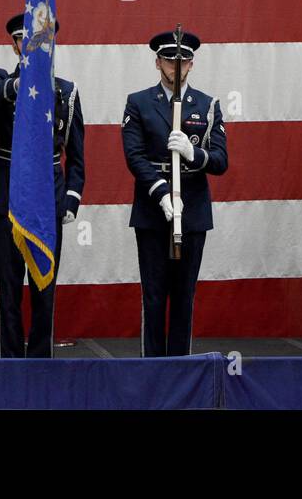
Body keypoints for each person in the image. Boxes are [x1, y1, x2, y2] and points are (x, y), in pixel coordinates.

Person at [0, 13, 86, 357]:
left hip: (47, 196)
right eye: (25, 40)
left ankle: (40, 363)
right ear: (14, 45)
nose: (33, 46)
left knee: (44, 288)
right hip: (5, 196)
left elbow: (76, 154)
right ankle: (10, 363)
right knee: (8, 290)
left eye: (41, 39)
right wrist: (24, 80)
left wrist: (70, 199)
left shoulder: (65, 92)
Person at [122, 29, 228, 357]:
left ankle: (182, 368)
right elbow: (134, 156)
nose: (176, 67)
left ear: (192, 64)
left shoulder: (207, 105)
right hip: (154, 208)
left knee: (184, 295)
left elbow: (221, 161)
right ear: (158, 63)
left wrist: (193, 153)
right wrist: (163, 192)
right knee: (154, 295)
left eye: (183, 60)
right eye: (169, 60)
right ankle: (153, 369)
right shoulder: (138, 102)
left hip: (193, 207)